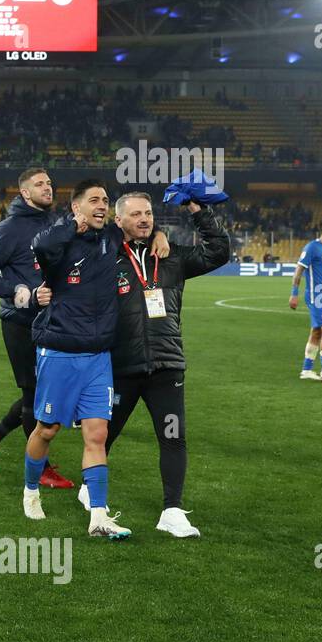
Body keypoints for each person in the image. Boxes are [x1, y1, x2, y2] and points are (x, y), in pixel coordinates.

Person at [83, 193, 230, 537]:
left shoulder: (172, 255)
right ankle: (90, 487)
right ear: (118, 221)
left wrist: (198, 210)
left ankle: (172, 511)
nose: (145, 219)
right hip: (121, 366)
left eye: (149, 213)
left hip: (166, 365)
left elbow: (218, 251)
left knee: (173, 437)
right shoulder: (105, 258)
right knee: (103, 435)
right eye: (135, 214)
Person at [23, 179, 152, 538]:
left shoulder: (111, 237)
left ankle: (98, 517)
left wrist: (157, 236)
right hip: (60, 350)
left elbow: (136, 227)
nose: (102, 205)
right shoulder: (59, 240)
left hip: (98, 356)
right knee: (46, 430)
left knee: (97, 435)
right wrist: (70, 225)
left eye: (106, 200)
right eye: (93, 200)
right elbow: (41, 244)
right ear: (77, 206)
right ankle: (31, 491)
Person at [0, 168, 72, 489]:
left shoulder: (54, 223)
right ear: (25, 193)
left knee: (45, 392)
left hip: (51, 320)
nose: (48, 188)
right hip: (20, 322)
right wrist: (15, 291)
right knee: (34, 395)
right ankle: (40, 469)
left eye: (50, 183)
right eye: (39, 184)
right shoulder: (12, 227)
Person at [290, 217, 322, 383]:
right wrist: (294, 293)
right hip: (316, 296)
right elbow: (298, 271)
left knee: (317, 332)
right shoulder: (312, 247)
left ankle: (306, 370)